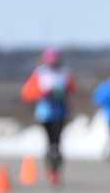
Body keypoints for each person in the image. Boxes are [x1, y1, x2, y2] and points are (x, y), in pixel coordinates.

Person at [20, 48, 76, 185]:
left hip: (61, 112)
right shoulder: (40, 74)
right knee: (50, 143)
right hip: (45, 114)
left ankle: (56, 170)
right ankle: (50, 169)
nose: (54, 64)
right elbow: (27, 93)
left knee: (56, 143)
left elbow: (73, 88)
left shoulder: (64, 73)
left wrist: (63, 92)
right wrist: (42, 93)